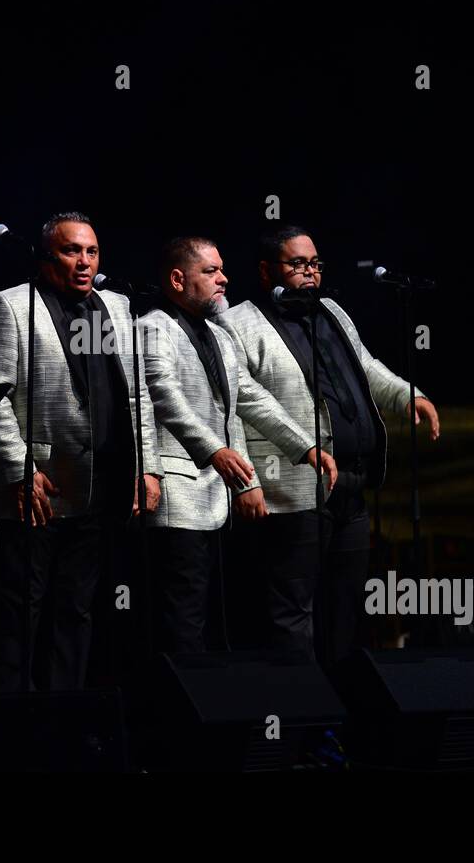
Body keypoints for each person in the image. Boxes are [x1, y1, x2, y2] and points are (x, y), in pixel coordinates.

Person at [214, 225, 441, 665]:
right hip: (290, 489)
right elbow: (235, 406)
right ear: (266, 270)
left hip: (351, 484)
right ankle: (300, 710)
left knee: (343, 608)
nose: (310, 273)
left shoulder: (331, 311)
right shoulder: (235, 323)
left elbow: (367, 366)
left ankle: (337, 712)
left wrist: (409, 395)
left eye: (315, 264)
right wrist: (245, 483)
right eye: (297, 264)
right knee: (292, 612)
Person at [0, 212, 162, 691]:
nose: (83, 261)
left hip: (99, 489)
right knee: (21, 617)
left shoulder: (117, 307)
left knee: (76, 613)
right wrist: (17, 470)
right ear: (45, 256)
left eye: (91, 252)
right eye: (71, 250)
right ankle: (10, 732)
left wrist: (149, 467)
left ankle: (64, 726)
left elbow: (136, 394)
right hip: (37, 490)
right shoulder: (13, 305)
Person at [139, 236, 336, 653]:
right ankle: (176, 710)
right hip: (178, 496)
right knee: (181, 618)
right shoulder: (153, 325)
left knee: (214, 619)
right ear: (177, 279)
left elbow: (251, 396)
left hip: (216, 498)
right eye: (210, 271)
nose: (224, 279)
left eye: (222, 269)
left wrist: (305, 447)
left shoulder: (219, 334)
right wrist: (214, 449)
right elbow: (162, 393)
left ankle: (211, 704)